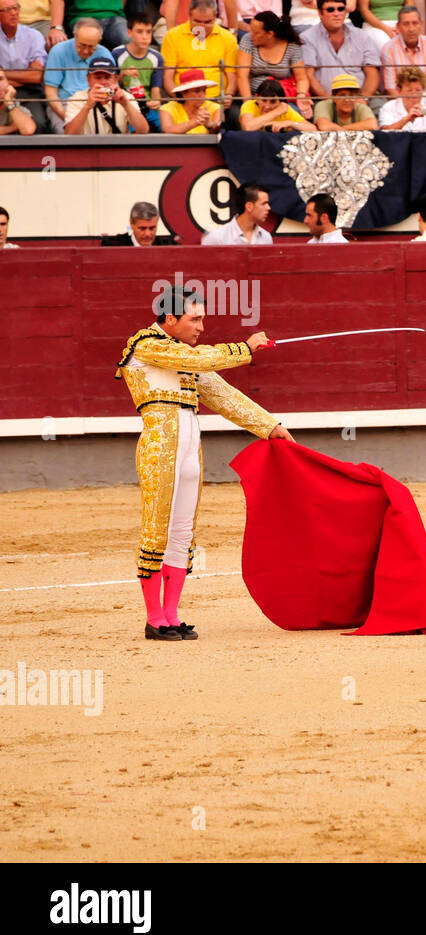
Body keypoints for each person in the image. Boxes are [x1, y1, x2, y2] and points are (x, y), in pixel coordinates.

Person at [117, 282, 291, 641]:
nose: (201, 327)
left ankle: (171, 615)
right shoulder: (146, 345)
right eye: (195, 319)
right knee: (157, 530)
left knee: (182, 532)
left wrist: (270, 426)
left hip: (189, 448)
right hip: (158, 449)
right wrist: (246, 348)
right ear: (170, 317)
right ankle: (153, 619)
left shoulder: (183, 356)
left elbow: (223, 395)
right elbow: (197, 360)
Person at [161, 0, 238, 117]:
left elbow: (232, 77)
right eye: (197, 21)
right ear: (189, 16)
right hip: (183, 99)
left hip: (217, 99)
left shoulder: (228, 38)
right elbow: (167, 78)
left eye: (208, 22)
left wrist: (229, 95)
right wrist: (181, 99)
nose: (202, 27)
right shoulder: (172, 36)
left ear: (215, 18)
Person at [300, 0, 380, 107]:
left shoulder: (361, 36)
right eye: (330, 10)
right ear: (320, 13)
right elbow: (308, 75)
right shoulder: (307, 38)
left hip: (361, 100)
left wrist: (363, 98)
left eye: (341, 9)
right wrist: (330, 101)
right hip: (325, 101)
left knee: (382, 108)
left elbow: (372, 73)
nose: (336, 13)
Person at [237, 11, 311, 118]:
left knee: (296, 112)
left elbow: (302, 78)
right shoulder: (248, 40)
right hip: (254, 97)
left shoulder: (292, 45)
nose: (251, 34)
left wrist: (301, 96)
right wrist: (248, 104)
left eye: (256, 32)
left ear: (270, 34)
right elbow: (242, 76)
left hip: (279, 99)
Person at [43, 18, 112, 132]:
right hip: (65, 103)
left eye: (91, 47)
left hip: (97, 103)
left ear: (99, 40)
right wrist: (68, 118)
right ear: (74, 36)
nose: (85, 51)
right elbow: (51, 93)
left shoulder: (104, 54)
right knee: (67, 136)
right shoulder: (58, 51)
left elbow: (112, 88)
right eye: (82, 45)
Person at [63, 52, 148, 131]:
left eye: (107, 77)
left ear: (115, 79)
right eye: (98, 78)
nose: (103, 82)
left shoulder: (125, 97)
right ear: (88, 79)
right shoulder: (77, 98)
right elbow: (69, 134)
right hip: (88, 146)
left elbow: (143, 130)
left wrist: (125, 104)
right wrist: (87, 106)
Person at [0, 0, 49, 132]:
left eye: (16, 8)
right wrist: (21, 76)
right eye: (7, 10)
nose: (14, 13)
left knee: (39, 123)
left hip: (29, 91)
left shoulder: (33, 36)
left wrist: (4, 74)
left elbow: (35, 76)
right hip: (1, 91)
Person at [380, 5, 426, 98]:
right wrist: (408, 106)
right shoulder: (388, 49)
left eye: (415, 23)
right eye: (406, 24)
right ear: (398, 26)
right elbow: (391, 88)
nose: (411, 29)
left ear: (421, 24)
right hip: (399, 101)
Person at [111, 12, 162, 130]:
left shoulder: (157, 57)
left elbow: (156, 89)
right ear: (129, 33)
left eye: (148, 32)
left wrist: (156, 102)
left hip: (147, 104)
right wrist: (123, 74)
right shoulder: (117, 54)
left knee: (164, 124)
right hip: (125, 103)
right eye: (140, 32)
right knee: (131, 128)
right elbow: (112, 84)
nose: (145, 37)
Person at [379, 64, 426, 129]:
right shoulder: (389, 107)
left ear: (423, 89)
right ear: (399, 90)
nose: (414, 94)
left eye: (418, 90)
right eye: (409, 91)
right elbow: (384, 131)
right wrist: (406, 119)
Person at [203, 182, 274, 244]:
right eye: (264, 204)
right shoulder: (217, 238)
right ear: (249, 206)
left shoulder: (266, 238)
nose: (268, 208)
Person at [159, 66, 223, 132]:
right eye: (197, 91)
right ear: (184, 93)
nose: (202, 95)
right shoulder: (167, 109)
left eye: (204, 90)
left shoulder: (216, 108)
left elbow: (220, 133)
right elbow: (167, 130)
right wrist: (195, 121)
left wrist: (210, 124)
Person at [240, 76, 316, 130]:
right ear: (256, 97)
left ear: (280, 101)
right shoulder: (249, 105)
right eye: (264, 100)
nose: (267, 106)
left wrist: (290, 123)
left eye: (273, 102)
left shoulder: (285, 109)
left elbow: (313, 129)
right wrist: (276, 112)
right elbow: (248, 127)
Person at [314, 72, 379, 128]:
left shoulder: (360, 107)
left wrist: (341, 129)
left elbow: (373, 125)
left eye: (351, 95)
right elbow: (324, 126)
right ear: (334, 97)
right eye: (342, 95)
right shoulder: (324, 105)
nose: (347, 100)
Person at [101, 201, 180, 245]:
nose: (147, 234)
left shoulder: (169, 247)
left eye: (152, 228)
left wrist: (177, 275)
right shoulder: (113, 247)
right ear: (131, 224)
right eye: (142, 228)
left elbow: (179, 273)